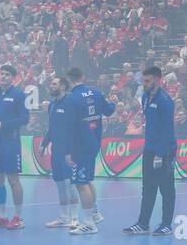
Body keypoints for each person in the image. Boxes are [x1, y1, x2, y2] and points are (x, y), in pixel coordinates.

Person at [63, 66, 117, 235]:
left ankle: (88, 223)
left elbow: (70, 127)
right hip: (94, 142)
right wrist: (114, 101)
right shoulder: (95, 92)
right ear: (83, 77)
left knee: (80, 183)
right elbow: (109, 111)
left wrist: (68, 151)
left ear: (69, 80)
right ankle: (94, 213)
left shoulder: (71, 99)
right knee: (87, 180)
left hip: (80, 145)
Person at [124, 66, 176, 236]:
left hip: (165, 150)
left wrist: (160, 154)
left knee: (166, 188)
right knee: (148, 187)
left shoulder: (165, 101)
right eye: (142, 81)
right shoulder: (145, 97)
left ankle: (167, 224)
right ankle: (143, 223)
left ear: (157, 80)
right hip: (149, 148)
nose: (143, 84)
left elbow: (167, 130)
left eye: (147, 81)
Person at [0, 64, 29, 230]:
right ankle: (2, 216)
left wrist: (2, 125)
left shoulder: (18, 95)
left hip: (11, 143)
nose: (3, 76)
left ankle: (18, 217)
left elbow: (24, 119)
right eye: (1, 73)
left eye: (7, 74)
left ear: (13, 78)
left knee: (13, 180)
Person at [40, 75, 79, 228]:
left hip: (68, 152)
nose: (51, 85)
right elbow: (52, 128)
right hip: (55, 152)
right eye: (51, 83)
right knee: (60, 185)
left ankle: (75, 218)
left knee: (70, 185)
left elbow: (73, 129)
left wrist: (70, 152)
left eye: (54, 83)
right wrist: (44, 144)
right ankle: (64, 218)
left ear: (62, 86)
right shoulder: (52, 105)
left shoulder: (70, 102)